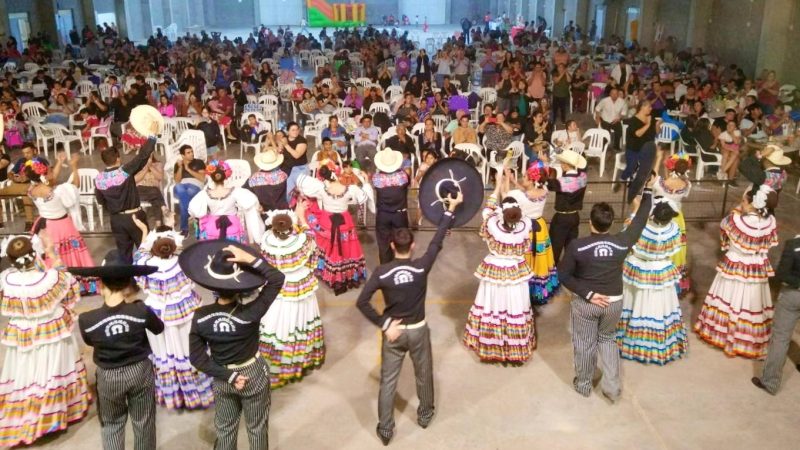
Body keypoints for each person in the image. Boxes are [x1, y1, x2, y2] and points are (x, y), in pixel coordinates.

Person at [356, 190, 461, 446]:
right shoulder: (421, 267)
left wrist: (385, 324)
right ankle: (425, 415)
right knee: (423, 374)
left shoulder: (382, 272)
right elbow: (436, 242)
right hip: (418, 329)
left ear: (392, 246)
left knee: (388, 382)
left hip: (394, 332)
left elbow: (362, 302)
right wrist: (451, 209)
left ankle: (386, 429)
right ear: (412, 246)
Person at [559, 175, 655, 400]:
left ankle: (583, 384)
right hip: (614, 303)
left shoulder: (577, 247)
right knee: (608, 339)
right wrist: (648, 190)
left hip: (586, 303)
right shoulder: (622, 242)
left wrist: (589, 293)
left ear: (590, 222)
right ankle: (612, 389)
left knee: (584, 343)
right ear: (611, 224)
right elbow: (641, 219)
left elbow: (563, 274)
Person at [183, 239, 285, 450]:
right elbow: (277, 278)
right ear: (239, 286)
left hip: (223, 376)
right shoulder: (250, 313)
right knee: (256, 428)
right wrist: (251, 259)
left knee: (225, 429)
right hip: (253, 373)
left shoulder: (200, 317)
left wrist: (230, 376)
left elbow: (198, 358)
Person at [0, 234, 91, 447]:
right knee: (53, 369)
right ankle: (52, 413)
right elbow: (69, 291)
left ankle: (26, 410)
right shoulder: (50, 278)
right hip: (51, 328)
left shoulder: (6, 280)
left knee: (26, 369)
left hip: (21, 330)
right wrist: (52, 254)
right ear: (35, 254)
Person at [73, 245, 164, 450]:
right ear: (127, 283)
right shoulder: (140, 310)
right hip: (139, 370)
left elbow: (89, 342)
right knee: (144, 421)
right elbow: (158, 329)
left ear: (101, 283)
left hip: (108, 375)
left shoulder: (87, 319)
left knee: (112, 424)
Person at [694, 185, 779, 359]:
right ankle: (747, 340)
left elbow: (724, 232)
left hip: (735, 265)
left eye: (743, 200)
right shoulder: (770, 222)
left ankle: (724, 336)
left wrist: (740, 209)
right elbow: (767, 244)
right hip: (756, 268)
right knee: (751, 304)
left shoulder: (736, 220)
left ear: (751, 203)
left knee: (729, 301)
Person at [464, 172, 536, 364]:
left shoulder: (493, 223)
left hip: (495, 268)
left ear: (502, 212)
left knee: (491, 306)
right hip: (515, 270)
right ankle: (514, 350)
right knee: (515, 308)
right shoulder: (525, 225)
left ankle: (491, 346)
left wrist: (497, 186)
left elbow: (489, 208)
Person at [258, 205, 324, 389]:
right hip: (299, 284)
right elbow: (311, 238)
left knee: (276, 321)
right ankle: (296, 361)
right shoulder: (301, 241)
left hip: (276, 286)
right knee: (299, 320)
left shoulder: (266, 240)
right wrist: (301, 216)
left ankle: (273, 359)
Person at [617, 199, 689, 365]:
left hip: (641, 268)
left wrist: (635, 211)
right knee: (660, 306)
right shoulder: (674, 229)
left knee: (636, 302)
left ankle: (634, 342)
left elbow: (626, 231)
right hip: (662, 270)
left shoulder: (642, 229)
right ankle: (659, 345)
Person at [25, 155, 98, 295]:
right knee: (71, 253)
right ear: (45, 175)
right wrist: (74, 166)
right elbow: (76, 186)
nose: (53, 172)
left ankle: (55, 286)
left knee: (53, 254)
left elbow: (50, 179)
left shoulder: (32, 189)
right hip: (62, 225)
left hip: (45, 226)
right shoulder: (56, 191)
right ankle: (78, 285)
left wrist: (59, 162)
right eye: (50, 170)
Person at [297, 167, 374, 295]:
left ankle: (334, 278)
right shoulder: (351, 189)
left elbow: (302, 184)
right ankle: (348, 276)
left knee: (329, 247)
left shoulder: (321, 189)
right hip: (345, 222)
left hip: (327, 221)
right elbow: (364, 198)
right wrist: (366, 182)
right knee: (347, 247)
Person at [95, 126, 158, 262]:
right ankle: (145, 278)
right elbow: (142, 156)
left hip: (116, 220)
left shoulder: (99, 179)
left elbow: (101, 201)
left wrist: (114, 211)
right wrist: (152, 136)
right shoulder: (124, 171)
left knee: (124, 255)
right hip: (134, 217)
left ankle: (127, 280)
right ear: (118, 158)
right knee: (145, 249)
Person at [506, 161, 560, 305]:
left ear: (532, 180)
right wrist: (514, 181)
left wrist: (506, 179)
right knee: (540, 258)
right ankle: (539, 289)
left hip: (526, 229)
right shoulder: (545, 191)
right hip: (540, 227)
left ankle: (525, 290)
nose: (522, 179)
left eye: (524, 177)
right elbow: (527, 192)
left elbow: (507, 195)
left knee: (526, 258)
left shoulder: (518, 195)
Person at [752, 235, 800, 394]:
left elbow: (781, 274)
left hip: (792, 296)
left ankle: (770, 383)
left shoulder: (794, 244)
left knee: (781, 338)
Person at [188, 159, 263, 243]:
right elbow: (251, 200)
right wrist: (258, 206)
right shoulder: (235, 191)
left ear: (212, 178)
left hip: (212, 227)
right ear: (225, 177)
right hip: (232, 226)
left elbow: (193, 210)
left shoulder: (204, 194)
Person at [546, 149, 588, 262]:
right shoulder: (583, 177)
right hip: (575, 217)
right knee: (570, 248)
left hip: (561, 219)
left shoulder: (562, 182)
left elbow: (548, 183)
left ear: (565, 165)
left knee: (555, 248)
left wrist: (545, 164)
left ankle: (553, 272)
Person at [372, 149, 410, 264]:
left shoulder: (376, 178)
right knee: (401, 241)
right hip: (400, 214)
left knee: (383, 243)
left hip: (383, 214)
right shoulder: (403, 176)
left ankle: (385, 267)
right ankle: (400, 265)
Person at [619, 101, 656, 189]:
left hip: (645, 150)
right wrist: (648, 124)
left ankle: (639, 182)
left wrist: (657, 125)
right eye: (649, 107)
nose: (651, 109)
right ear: (642, 107)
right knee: (631, 167)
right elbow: (638, 134)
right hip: (633, 149)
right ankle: (623, 179)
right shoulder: (633, 121)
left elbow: (653, 134)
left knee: (647, 168)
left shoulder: (651, 118)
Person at [173, 144, 206, 235]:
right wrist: (180, 167)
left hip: (195, 185)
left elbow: (202, 178)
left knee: (186, 194)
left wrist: (188, 169)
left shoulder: (199, 162)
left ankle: (184, 229)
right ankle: (192, 215)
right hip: (181, 186)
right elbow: (177, 181)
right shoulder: (178, 164)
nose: (191, 154)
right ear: (183, 155)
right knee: (179, 187)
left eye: (192, 152)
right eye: (188, 153)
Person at [246, 149, 289, 213]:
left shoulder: (254, 178)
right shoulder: (283, 175)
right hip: (281, 209)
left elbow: (245, 190)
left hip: (263, 210)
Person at [280, 122, 309, 201]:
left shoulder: (302, 141)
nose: (295, 132)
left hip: (299, 167)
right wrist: (280, 148)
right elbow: (280, 150)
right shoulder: (285, 138)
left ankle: (287, 204)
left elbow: (297, 155)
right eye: (293, 130)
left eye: (297, 129)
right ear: (288, 131)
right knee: (276, 179)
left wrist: (286, 145)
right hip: (286, 166)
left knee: (289, 185)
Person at [594, 86, 626, 150]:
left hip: (615, 120)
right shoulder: (605, 100)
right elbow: (597, 109)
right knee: (606, 132)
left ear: (618, 94)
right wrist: (597, 119)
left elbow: (623, 113)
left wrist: (619, 118)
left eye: (616, 94)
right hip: (605, 119)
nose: (614, 95)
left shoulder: (622, 102)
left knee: (619, 131)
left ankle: (616, 146)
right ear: (610, 94)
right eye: (612, 93)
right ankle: (604, 147)